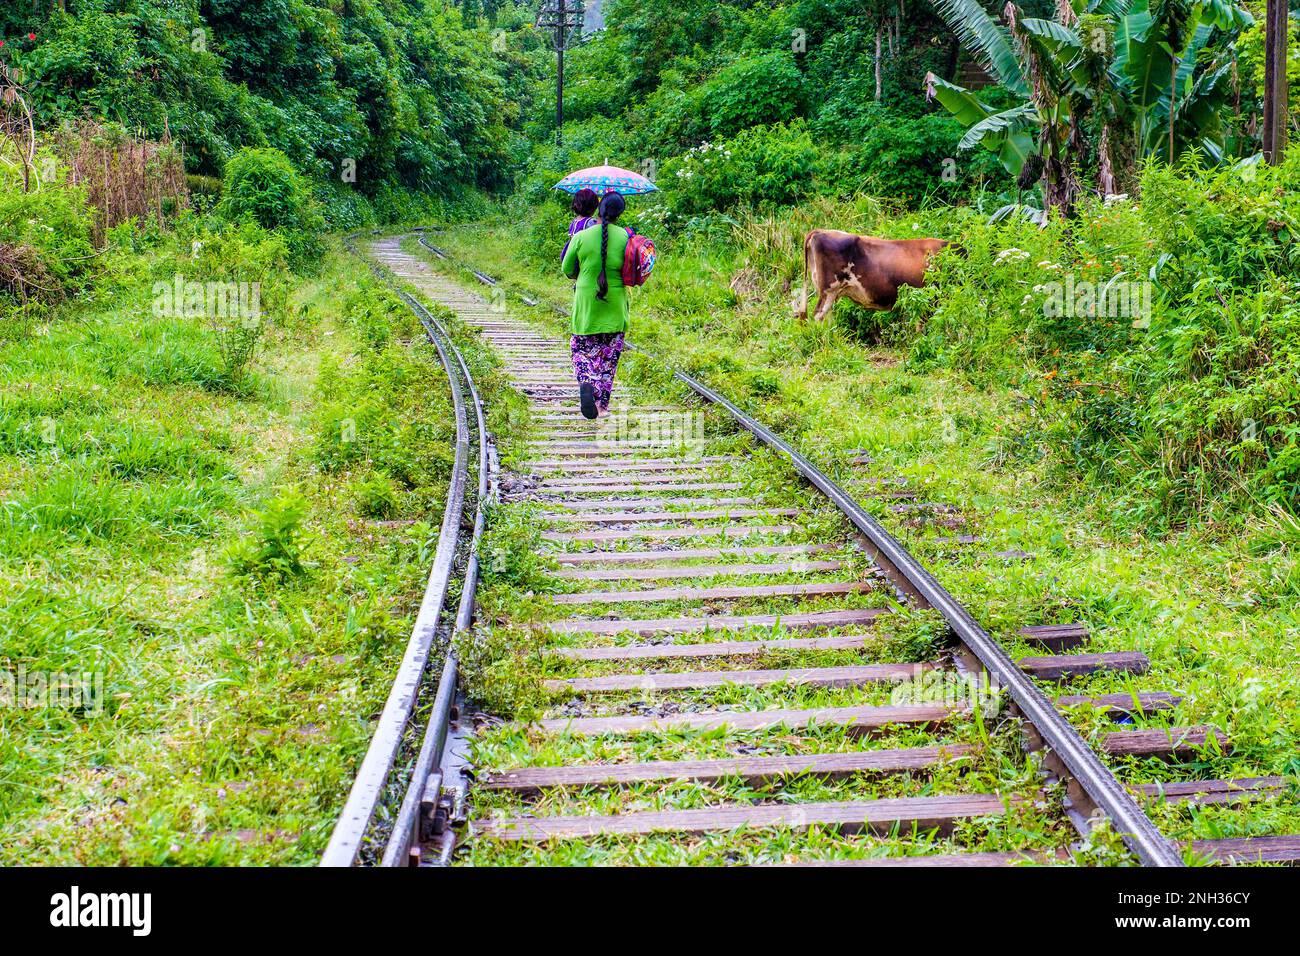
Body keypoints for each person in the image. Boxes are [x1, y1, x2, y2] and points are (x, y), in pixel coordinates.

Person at [562, 191, 629, 419]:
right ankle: (601, 407)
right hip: (616, 307)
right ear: (620, 213)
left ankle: (586, 381)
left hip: (586, 307)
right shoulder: (627, 237)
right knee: (608, 361)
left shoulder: (582, 236)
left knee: (580, 349)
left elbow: (567, 269)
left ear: (599, 210)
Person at [559, 188, 600, 264]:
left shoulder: (574, 221)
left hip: (572, 256)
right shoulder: (590, 222)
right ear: (594, 206)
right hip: (584, 257)